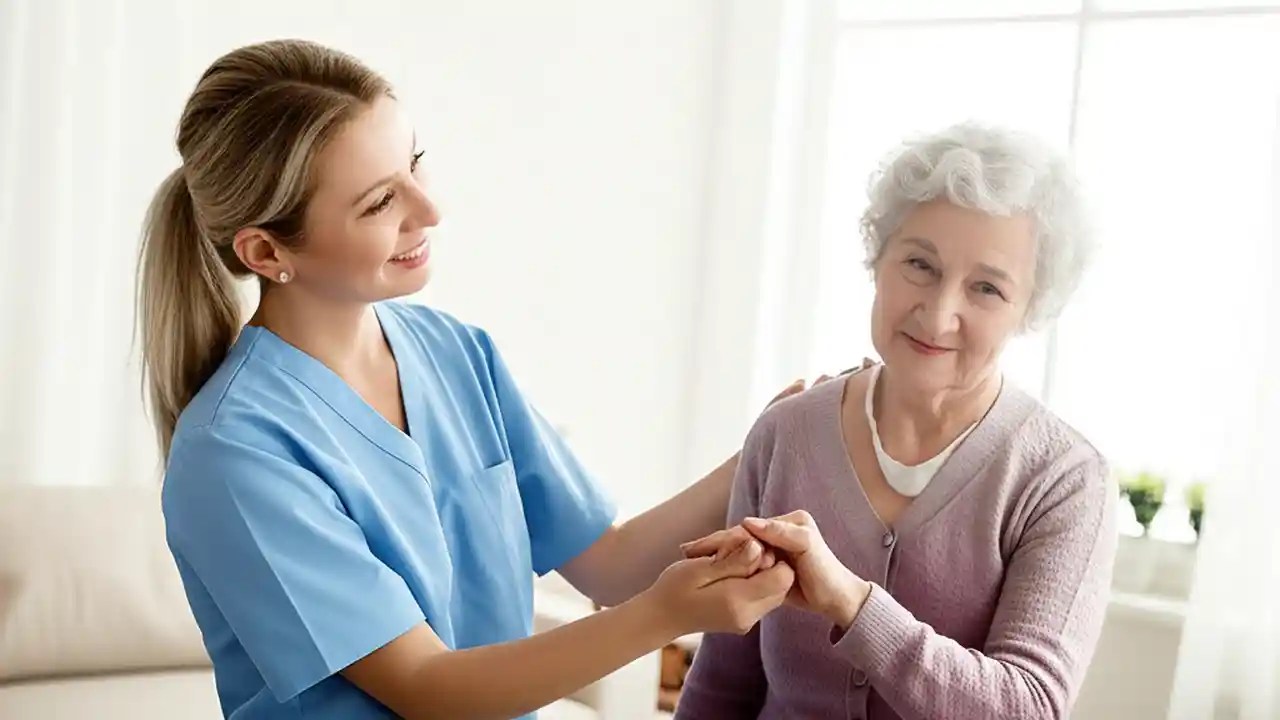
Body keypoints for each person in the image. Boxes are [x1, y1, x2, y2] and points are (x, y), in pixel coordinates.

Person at [137, 39, 802, 720]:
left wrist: (773, 443)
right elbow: (430, 689)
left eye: (415, 164)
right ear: (267, 251)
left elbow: (608, 561)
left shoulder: (456, 354)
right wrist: (663, 615)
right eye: (378, 202)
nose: (429, 210)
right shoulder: (234, 451)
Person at [676, 124, 1118, 719]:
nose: (938, 316)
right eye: (920, 264)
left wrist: (854, 604)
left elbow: (1029, 708)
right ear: (878, 257)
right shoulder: (786, 435)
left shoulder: (1065, 479)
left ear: (1029, 309)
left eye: (986, 288)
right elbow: (722, 686)